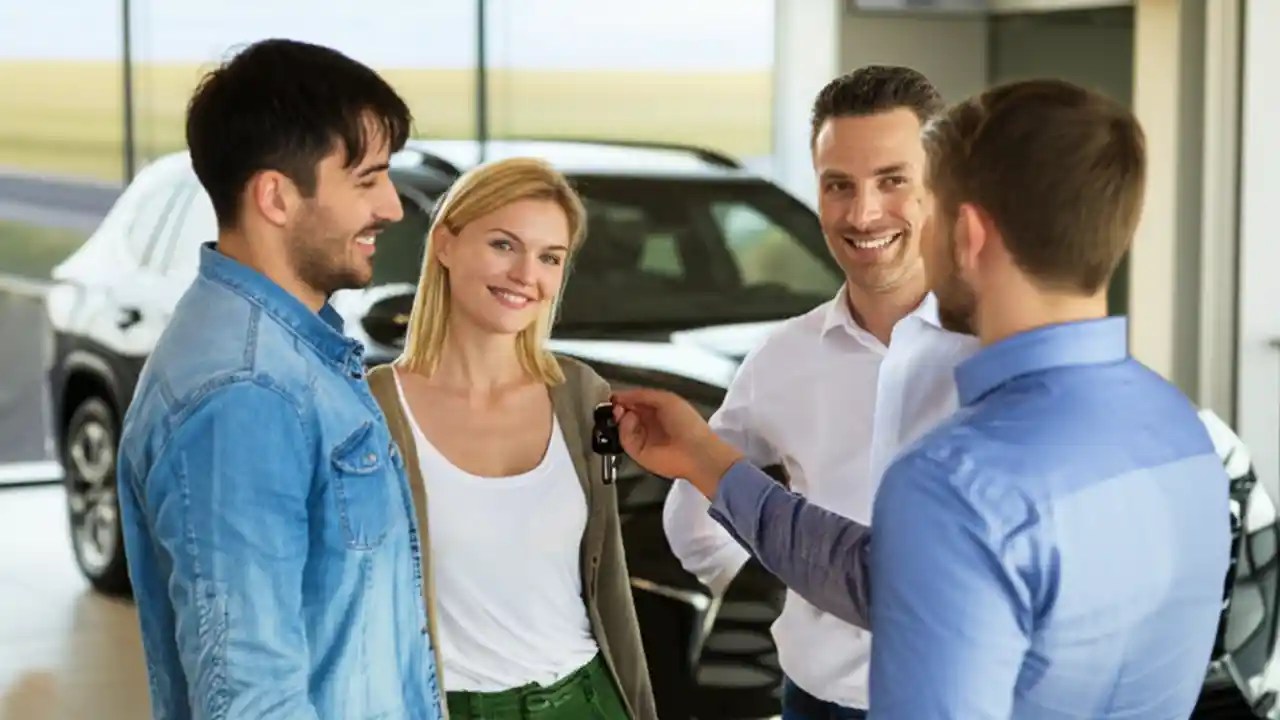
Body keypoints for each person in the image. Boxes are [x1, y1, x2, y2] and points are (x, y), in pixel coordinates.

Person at [612, 78, 1232, 718]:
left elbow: (896, 584)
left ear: (964, 232)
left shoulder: (950, 479)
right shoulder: (1184, 430)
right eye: (839, 184)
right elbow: (881, 577)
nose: (866, 214)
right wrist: (709, 464)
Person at [115, 39, 444, 719]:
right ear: (275, 197)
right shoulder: (246, 396)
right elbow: (251, 698)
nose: (390, 205)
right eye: (366, 179)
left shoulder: (292, 355)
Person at [661, 65, 976, 720]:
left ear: (940, 187)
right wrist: (780, 582)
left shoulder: (995, 351)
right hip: (817, 703)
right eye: (839, 186)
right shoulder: (785, 357)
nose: (862, 214)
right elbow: (692, 506)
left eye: (893, 181)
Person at [364, 156, 657, 720]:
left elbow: (609, 582)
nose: (528, 274)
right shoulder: (375, 409)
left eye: (550, 257)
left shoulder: (579, 395)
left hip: (587, 701)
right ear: (445, 244)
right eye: (504, 245)